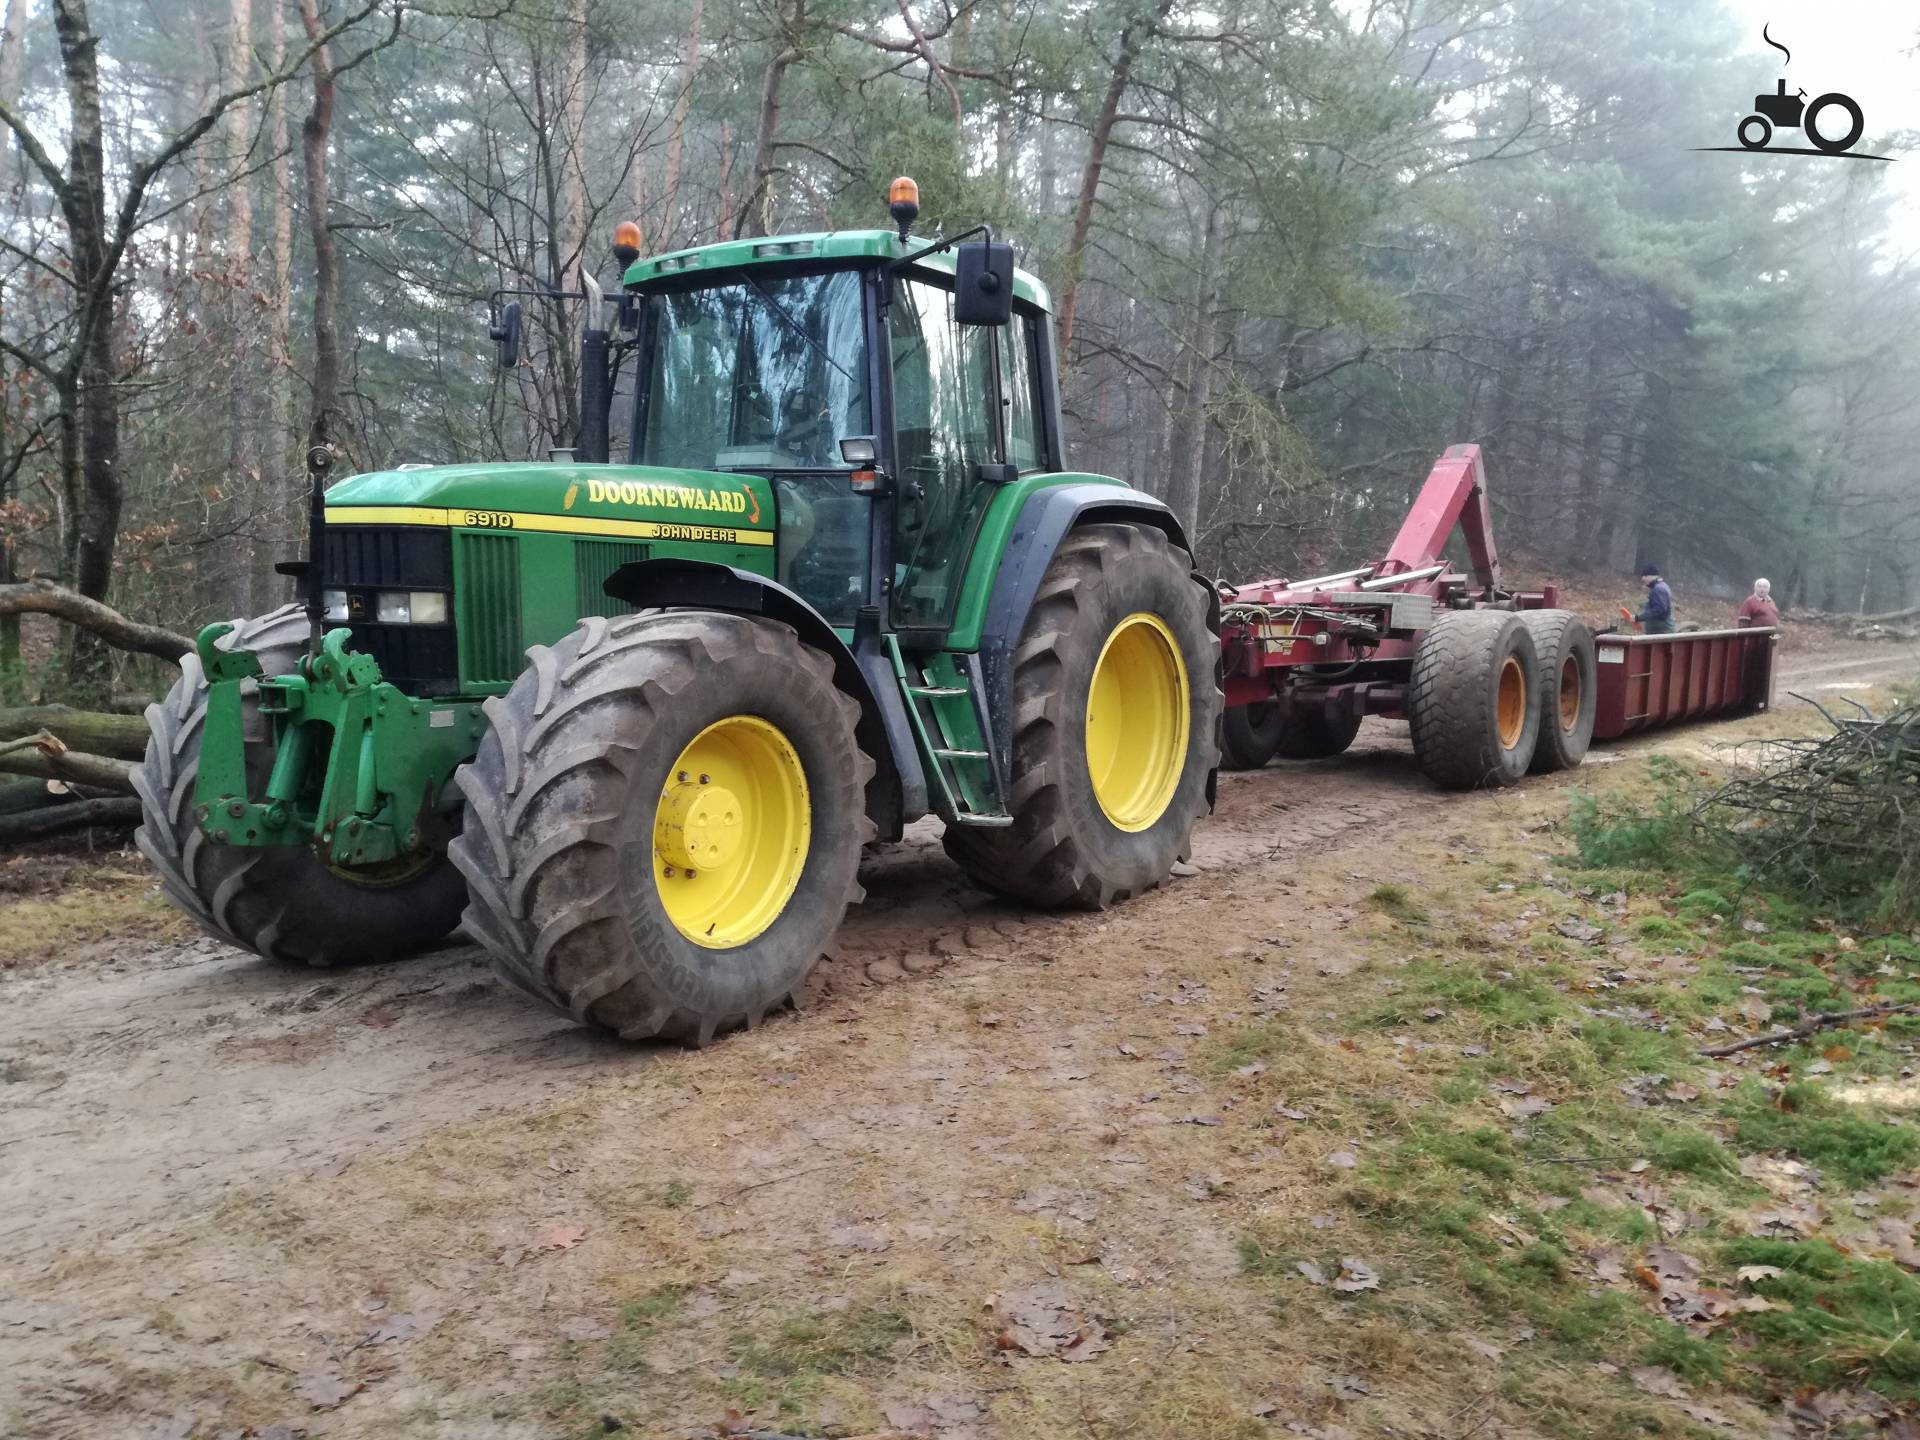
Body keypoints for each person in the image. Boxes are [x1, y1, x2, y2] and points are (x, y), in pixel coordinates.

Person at [1635, 564, 1675, 634]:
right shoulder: (1661, 586)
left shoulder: (1659, 589)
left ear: (1652, 576)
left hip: (1661, 633)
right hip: (1658, 632)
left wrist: (1638, 618)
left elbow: (1658, 610)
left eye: (1645, 576)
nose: (1642, 578)